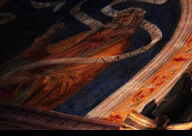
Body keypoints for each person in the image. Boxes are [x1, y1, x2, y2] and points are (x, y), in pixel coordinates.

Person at [0, 8, 147, 110]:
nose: (122, 21)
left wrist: (42, 76)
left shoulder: (119, 41)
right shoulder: (93, 33)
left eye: (127, 20)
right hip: (50, 63)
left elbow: (85, 68)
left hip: (64, 71)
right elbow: (51, 51)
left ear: (132, 24)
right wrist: (48, 36)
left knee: (25, 80)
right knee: (14, 68)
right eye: (121, 17)